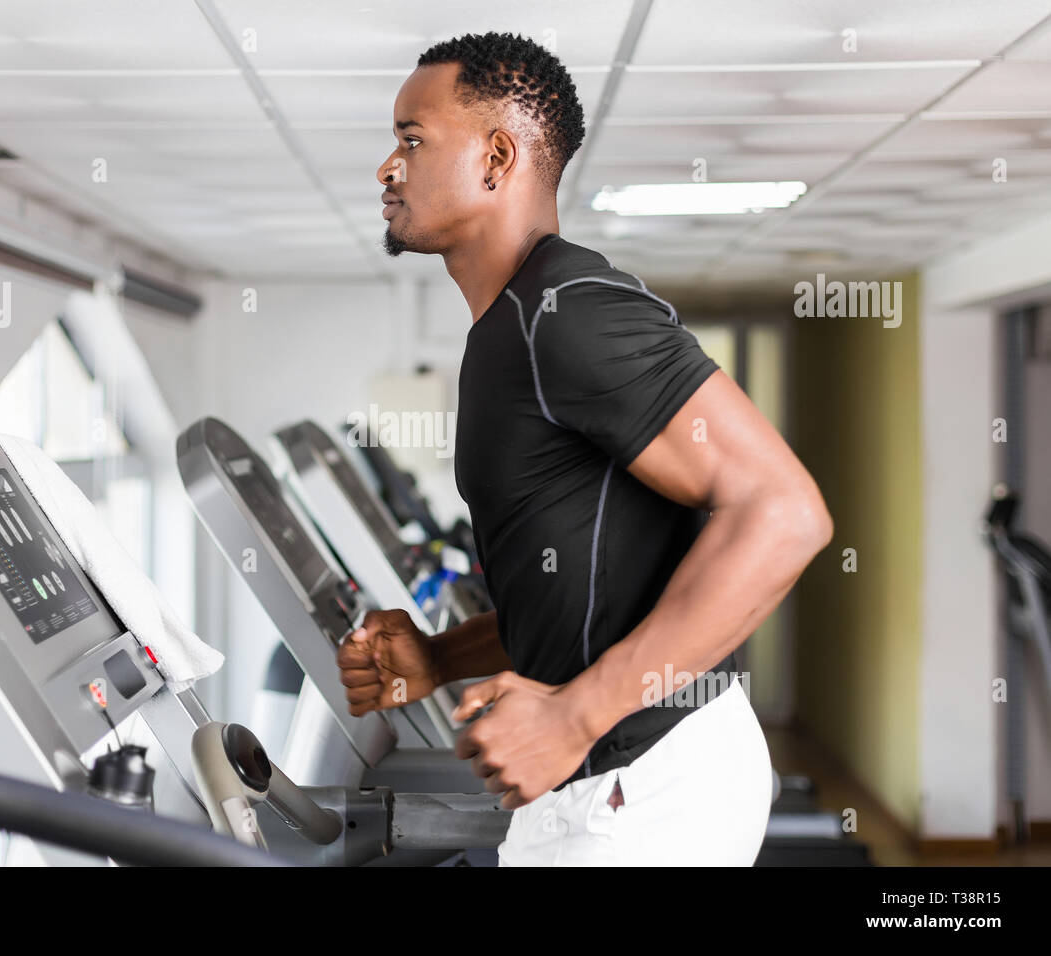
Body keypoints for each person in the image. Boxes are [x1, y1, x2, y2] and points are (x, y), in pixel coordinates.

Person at [338, 32, 832, 866]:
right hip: (617, 783)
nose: (387, 167)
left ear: (497, 157)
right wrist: (440, 657)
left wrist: (574, 715)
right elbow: (587, 588)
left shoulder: (569, 312)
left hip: (644, 784)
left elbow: (786, 514)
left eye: (412, 140)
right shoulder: (512, 327)